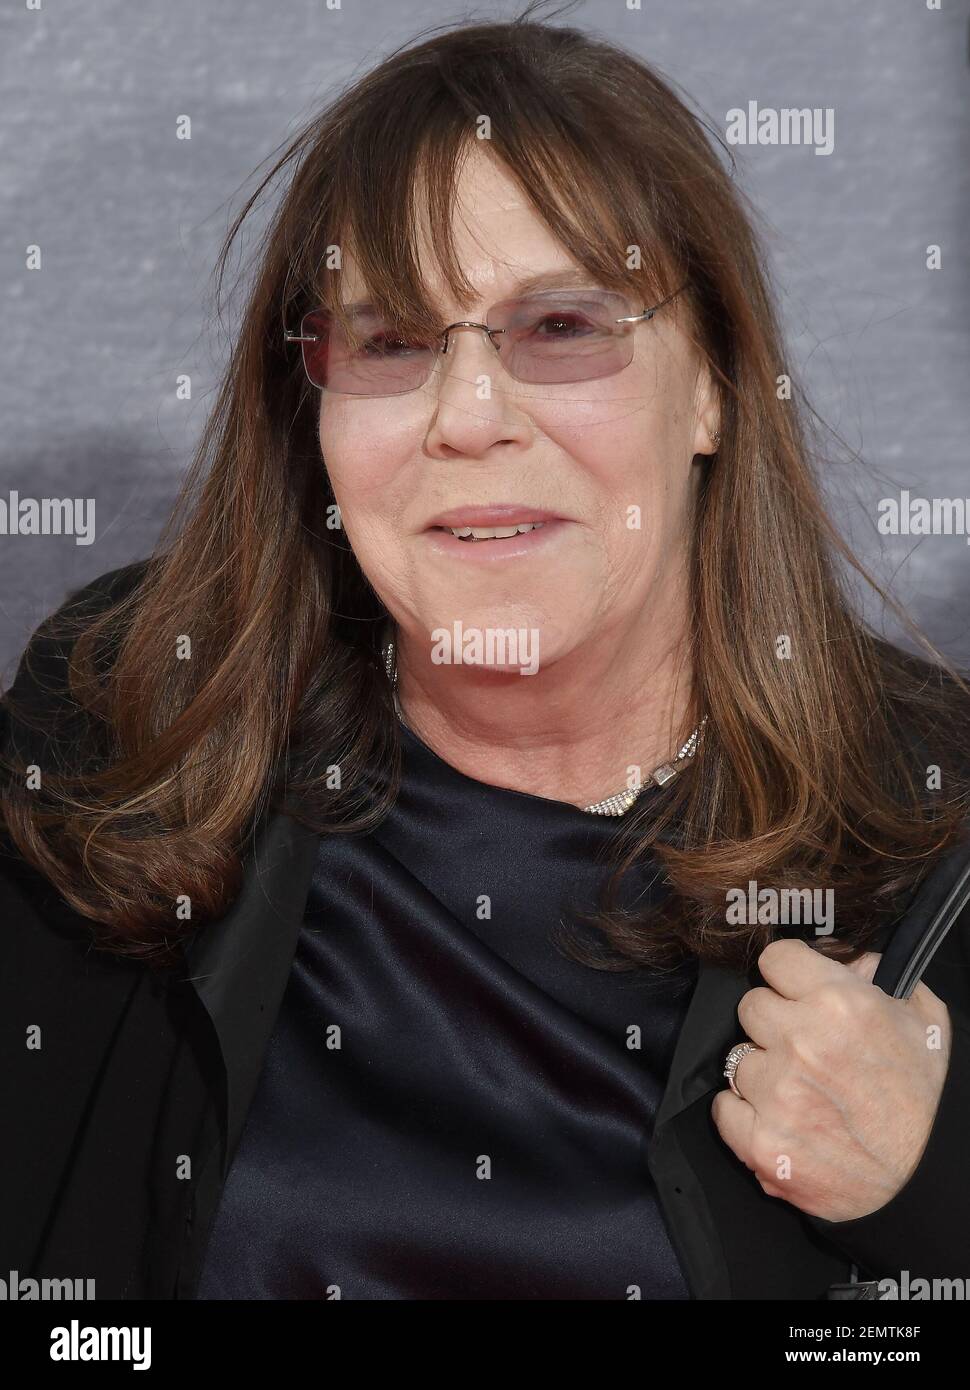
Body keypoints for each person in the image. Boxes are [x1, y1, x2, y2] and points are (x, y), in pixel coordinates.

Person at [3, 3, 970, 1301]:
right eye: (391, 341)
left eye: (560, 328)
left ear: (714, 386)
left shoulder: (930, 823)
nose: (465, 416)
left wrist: (932, 1187)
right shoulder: (125, 724)